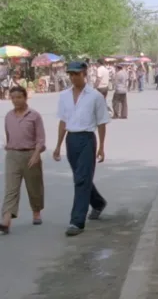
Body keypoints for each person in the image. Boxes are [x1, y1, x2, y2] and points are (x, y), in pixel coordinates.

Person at [53, 61, 110, 237]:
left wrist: (101, 146)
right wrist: (58, 146)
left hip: (87, 139)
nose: (73, 77)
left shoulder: (95, 96)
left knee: (81, 180)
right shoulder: (64, 96)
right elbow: (63, 122)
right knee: (81, 177)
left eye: (76, 74)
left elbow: (101, 122)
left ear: (84, 73)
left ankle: (77, 221)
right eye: (70, 74)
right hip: (72, 139)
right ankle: (98, 202)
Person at [0, 87, 46, 234]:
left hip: (31, 154)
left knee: (34, 186)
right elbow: (8, 136)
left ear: (25, 98)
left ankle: (36, 211)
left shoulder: (34, 116)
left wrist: (36, 154)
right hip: (13, 155)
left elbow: (40, 138)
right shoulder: (8, 116)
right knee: (11, 188)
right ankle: (6, 219)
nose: (15, 100)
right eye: (13, 98)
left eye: (19, 97)